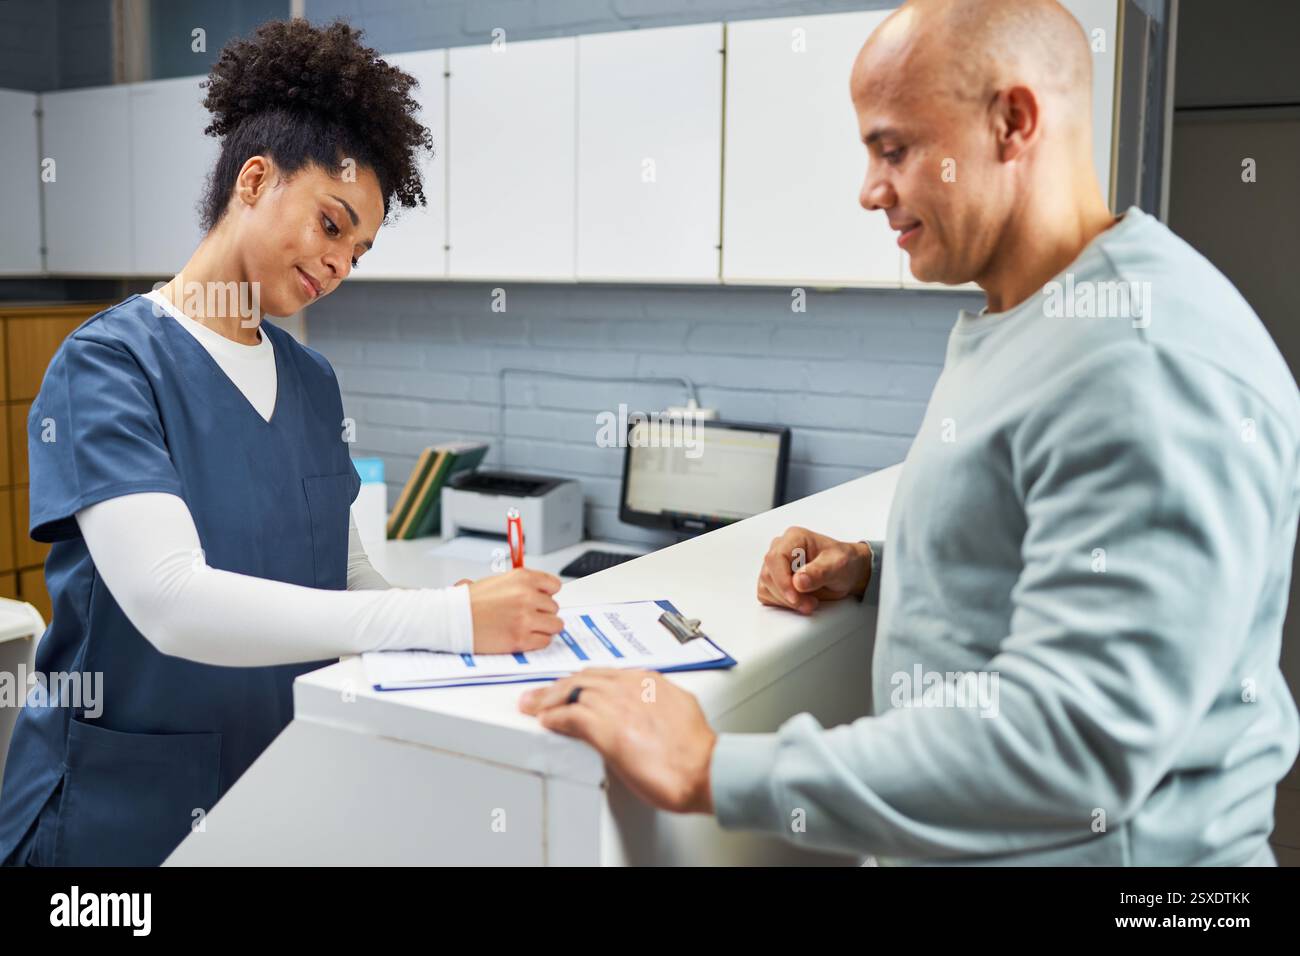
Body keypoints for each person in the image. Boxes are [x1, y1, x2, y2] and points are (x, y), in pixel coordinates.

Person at [520, 0, 1300, 865]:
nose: (869, 189)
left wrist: (716, 769)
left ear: (1013, 122)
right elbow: (1044, 555)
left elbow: (1076, 748)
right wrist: (876, 570)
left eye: (893, 148)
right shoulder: (1028, 318)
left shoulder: (1141, 361)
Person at [0, 18, 563, 867]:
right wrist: (447, 617)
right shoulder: (110, 366)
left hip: (266, 791)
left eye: (359, 251)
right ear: (254, 181)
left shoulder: (311, 383)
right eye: (332, 225)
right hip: (113, 815)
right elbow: (170, 601)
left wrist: (473, 623)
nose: (340, 265)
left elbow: (348, 574)